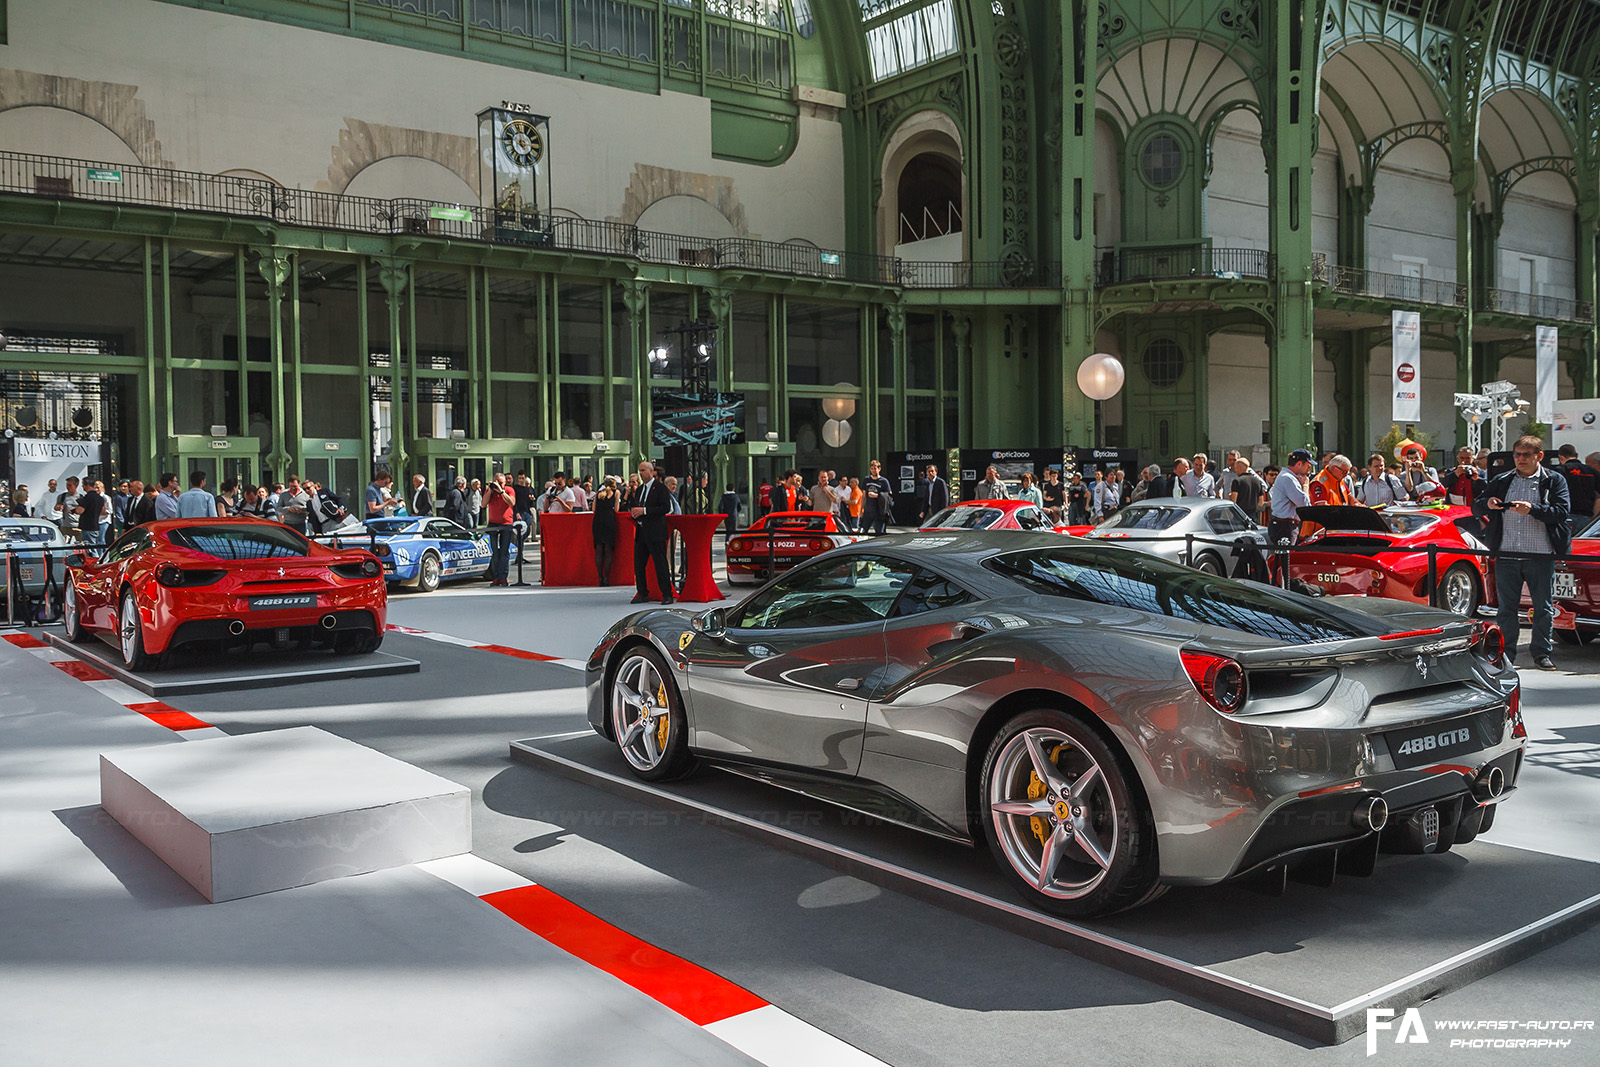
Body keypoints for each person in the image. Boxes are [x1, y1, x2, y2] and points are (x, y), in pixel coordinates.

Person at [1474, 436, 1571, 669]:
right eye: (1517, 454)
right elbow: (1476, 505)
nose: (1520, 459)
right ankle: (1506, 654)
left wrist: (1533, 509)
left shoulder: (1553, 480)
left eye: (1525, 455)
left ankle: (1541, 653)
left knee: (1543, 608)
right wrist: (1488, 504)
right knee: (1506, 609)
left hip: (1539, 554)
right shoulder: (1503, 479)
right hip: (1507, 553)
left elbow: (1561, 511)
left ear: (1539, 456)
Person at [629, 460, 673, 605]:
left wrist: (645, 511)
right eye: (640, 471)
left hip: (655, 532)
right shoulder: (640, 490)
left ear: (651, 471)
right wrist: (635, 513)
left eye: (643, 470)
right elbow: (637, 506)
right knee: (639, 564)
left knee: (660, 563)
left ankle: (667, 594)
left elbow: (665, 508)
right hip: (642, 531)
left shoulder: (660, 488)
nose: (641, 473)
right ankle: (642, 592)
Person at [1268, 448, 1314, 545]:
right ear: (1299, 464)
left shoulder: (1287, 476)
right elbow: (1303, 504)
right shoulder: (1288, 478)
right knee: (1286, 558)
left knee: (1288, 557)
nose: (1309, 469)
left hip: (1285, 525)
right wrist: (1305, 485)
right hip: (1284, 526)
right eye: (1308, 465)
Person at [1554, 444, 1600, 534]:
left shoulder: (1558, 471)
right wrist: (1594, 516)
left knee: (1565, 546)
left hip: (1565, 517)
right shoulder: (1592, 472)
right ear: (1577, 455)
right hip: (1586, 519)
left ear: (1561, 457)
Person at [483, 473, 516, 587]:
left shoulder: (509, 490)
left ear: (504, 482)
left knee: (504, 552)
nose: (498, 484)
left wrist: (501, 491)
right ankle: (496, 577)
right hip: (493, 524)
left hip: (506, 524)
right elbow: (483, 504)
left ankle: (503, 577)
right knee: (495, 552)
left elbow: (512, 502)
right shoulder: (490, 492)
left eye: (500, 482)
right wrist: (490, 490)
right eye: (496, 482)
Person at [592, 476, 620, 584]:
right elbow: (616, 509)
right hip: (609, 520)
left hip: (598, 521)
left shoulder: (598, 494)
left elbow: (593, 509)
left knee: (599, 550)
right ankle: (607, 578)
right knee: (608, 550)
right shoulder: (616, 492)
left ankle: (600, 577)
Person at [1228, 458, 1267, 522]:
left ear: (1239, 467)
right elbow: (1261, 502)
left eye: (1236, 468)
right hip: (1254, 517)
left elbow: (1233, 501)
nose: (1235, 470)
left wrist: (1231, 496)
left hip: (1240, 516)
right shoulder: (1257, 481)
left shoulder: (1237, 481)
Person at [860, 460, 894, 534]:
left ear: (879, 469)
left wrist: (877, 495)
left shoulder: (884, 481)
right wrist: (861, 509)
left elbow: (889, 495)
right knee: (863, 531)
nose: (873, 471)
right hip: (868, 510)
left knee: (879, 532)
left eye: (875, 469)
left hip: (879, 511)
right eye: (871, 469)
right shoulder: (867, 479)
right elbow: (863, 495)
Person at [74, 480, 108, 545]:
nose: (82, 486)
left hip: (87, 527)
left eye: (83, 484)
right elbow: (103, 511)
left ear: (87, 485)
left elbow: (79, 511)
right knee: (94, 545)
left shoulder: (88, 497)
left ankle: (95, 555)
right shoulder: (100, 498)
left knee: (90, 548)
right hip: (95, 525)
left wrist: (74, 510)